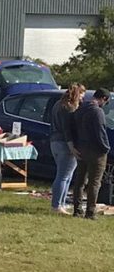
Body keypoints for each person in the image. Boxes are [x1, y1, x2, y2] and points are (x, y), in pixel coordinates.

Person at [70, 89, 110, 220]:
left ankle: (77, 209)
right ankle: (90, 212)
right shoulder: (97, 111)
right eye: (106, 101)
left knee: (80, 180)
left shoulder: (80, 109)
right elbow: (100, 132)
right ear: (103, 98)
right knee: (94, 182)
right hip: (96, 151)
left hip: (82, 148)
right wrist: (105, 148)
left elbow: (73, 129)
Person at [47, 85, 83, 213]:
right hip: (65, 144)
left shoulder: (58, 104)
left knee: (65, 175)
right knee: (63, 176)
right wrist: (72, 147)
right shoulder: (69, 108)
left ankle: (60, 203)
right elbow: (67, 130)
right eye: (81, 96)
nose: (82, 100)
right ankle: (56, 205)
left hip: (54, 142)